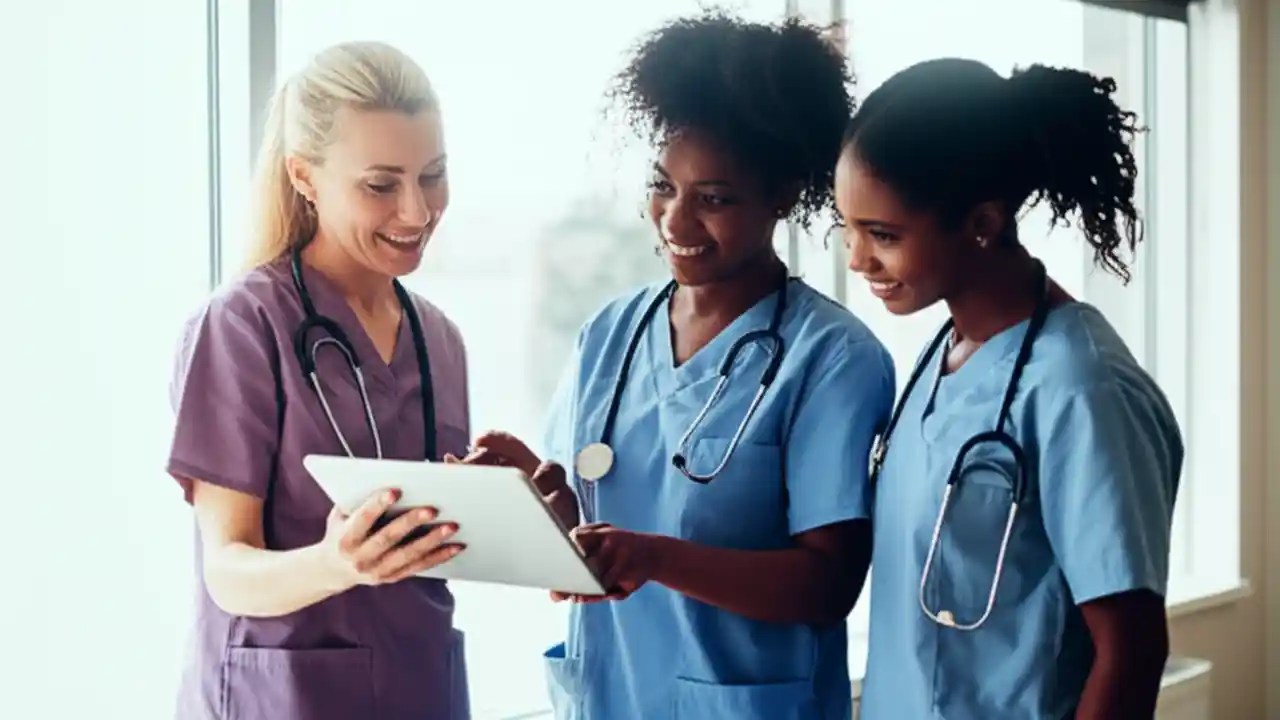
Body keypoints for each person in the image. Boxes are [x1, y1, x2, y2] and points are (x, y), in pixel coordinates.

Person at [457, 13, 893, 720]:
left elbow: (827, 584)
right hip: (609, 694)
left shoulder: (833, 358)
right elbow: (597, 527)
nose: (676, 222)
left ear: (782, 193)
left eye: (715, 199)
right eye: (664, 187)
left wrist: (656, 557)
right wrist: (528, 496)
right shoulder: (612, 332)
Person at [832, 58, 1183, 719]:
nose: (856, 259)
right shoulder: (945, 356)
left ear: (984, 223)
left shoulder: (1081, 387)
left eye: (883, 235)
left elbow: (1132, 648)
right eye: (846, 227)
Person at [166, 41, 473, 720]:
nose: (417, 212)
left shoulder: (439, 339)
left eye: (434, 175)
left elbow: (432, 540)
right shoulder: (244, 325)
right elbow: (228, 571)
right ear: (304, 176)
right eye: (381, 184)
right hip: (283, 699)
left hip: (420, 686)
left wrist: (507, 505)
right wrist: (337, 563)